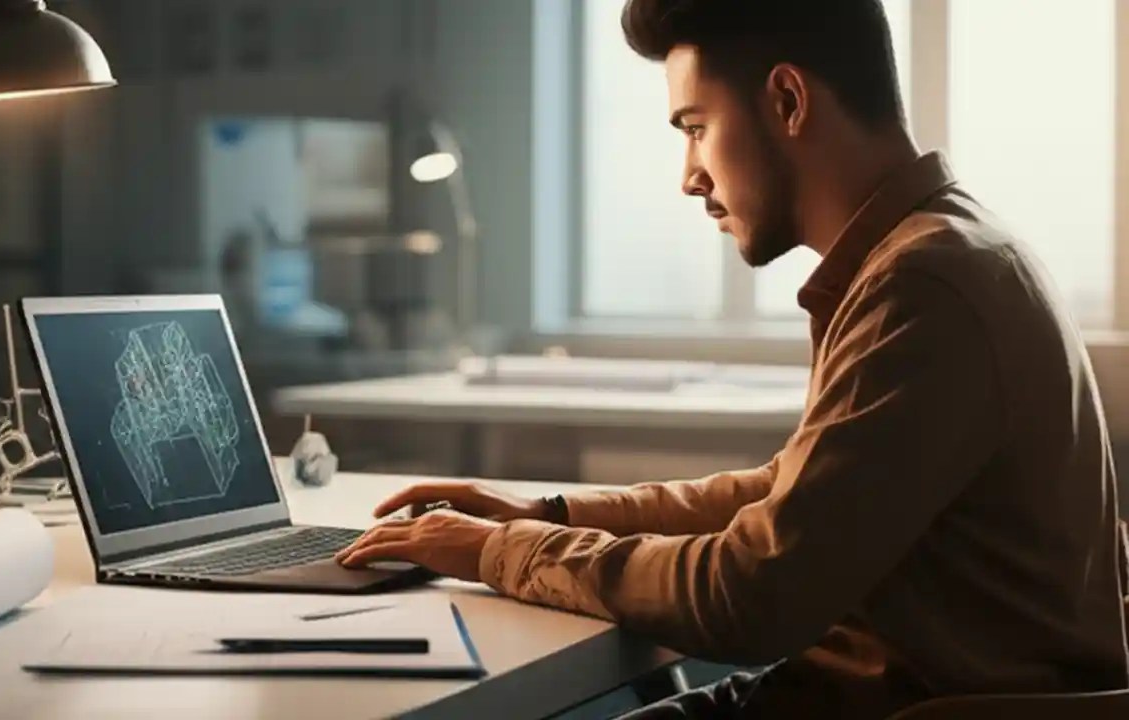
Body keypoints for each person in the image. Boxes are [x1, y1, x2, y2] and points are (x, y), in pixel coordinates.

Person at [336, 0, 1129, 717]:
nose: (689, 178)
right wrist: (545, 516)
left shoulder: (924, 283)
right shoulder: (949, 249)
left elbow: (750, 596)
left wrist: (496, 552)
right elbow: (788, 494)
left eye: (693, 127)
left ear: (787, 101)